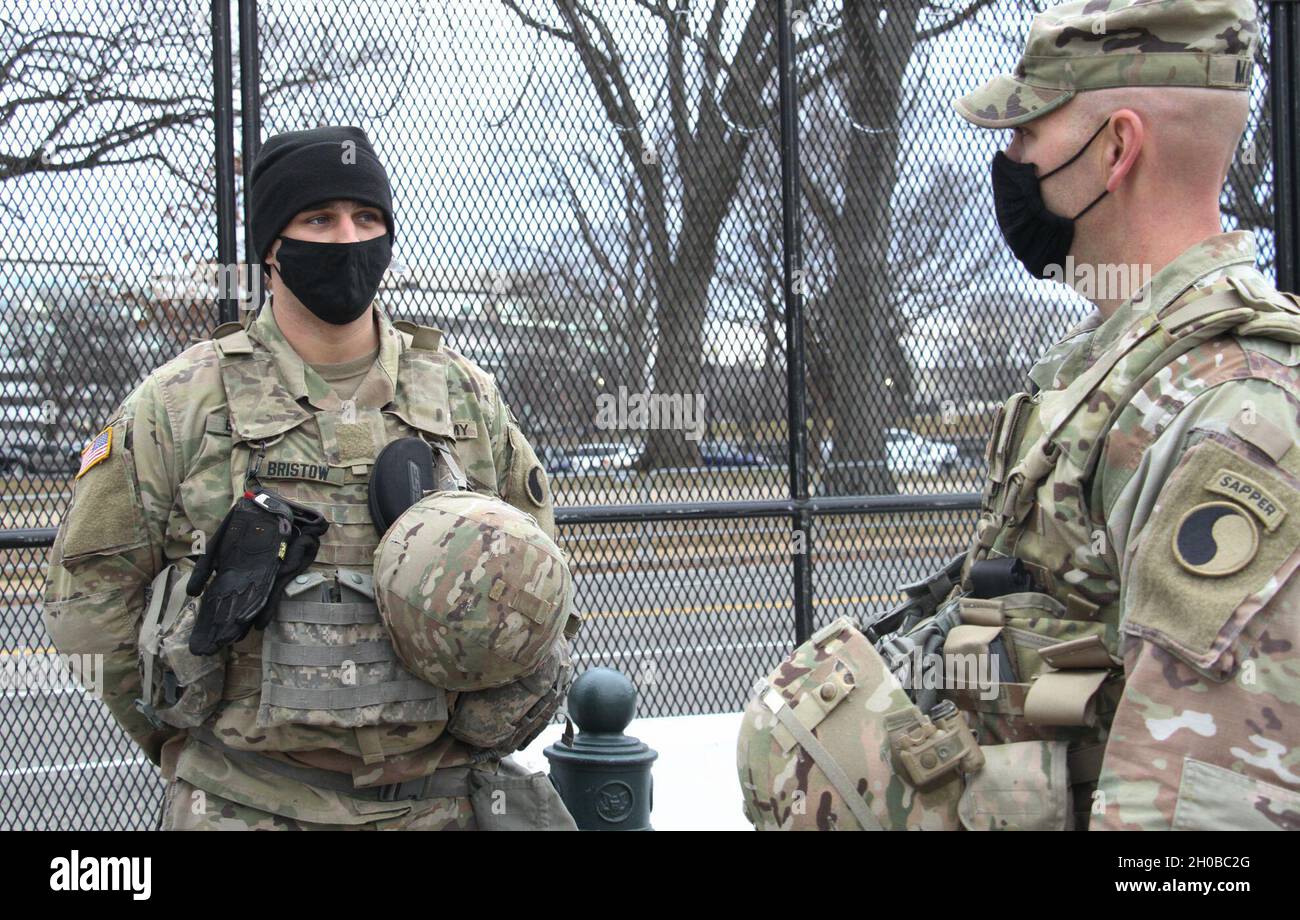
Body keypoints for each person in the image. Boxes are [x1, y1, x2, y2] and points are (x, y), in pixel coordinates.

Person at [738, 0, 1300, 831]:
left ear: (1116, 148)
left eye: (1027, 131)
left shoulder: (1238, 416)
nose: (1009, 160)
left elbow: (1203, 833)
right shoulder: (1115, 365)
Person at [43, 125, 579, 830]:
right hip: (246, 802)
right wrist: (183, 739)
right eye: (317, 219)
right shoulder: (179, 404)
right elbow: (90, 607)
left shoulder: (462, 398)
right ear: (272, 244)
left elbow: (542, 586)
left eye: (367, 219)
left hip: (438, 805)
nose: (346, 238)